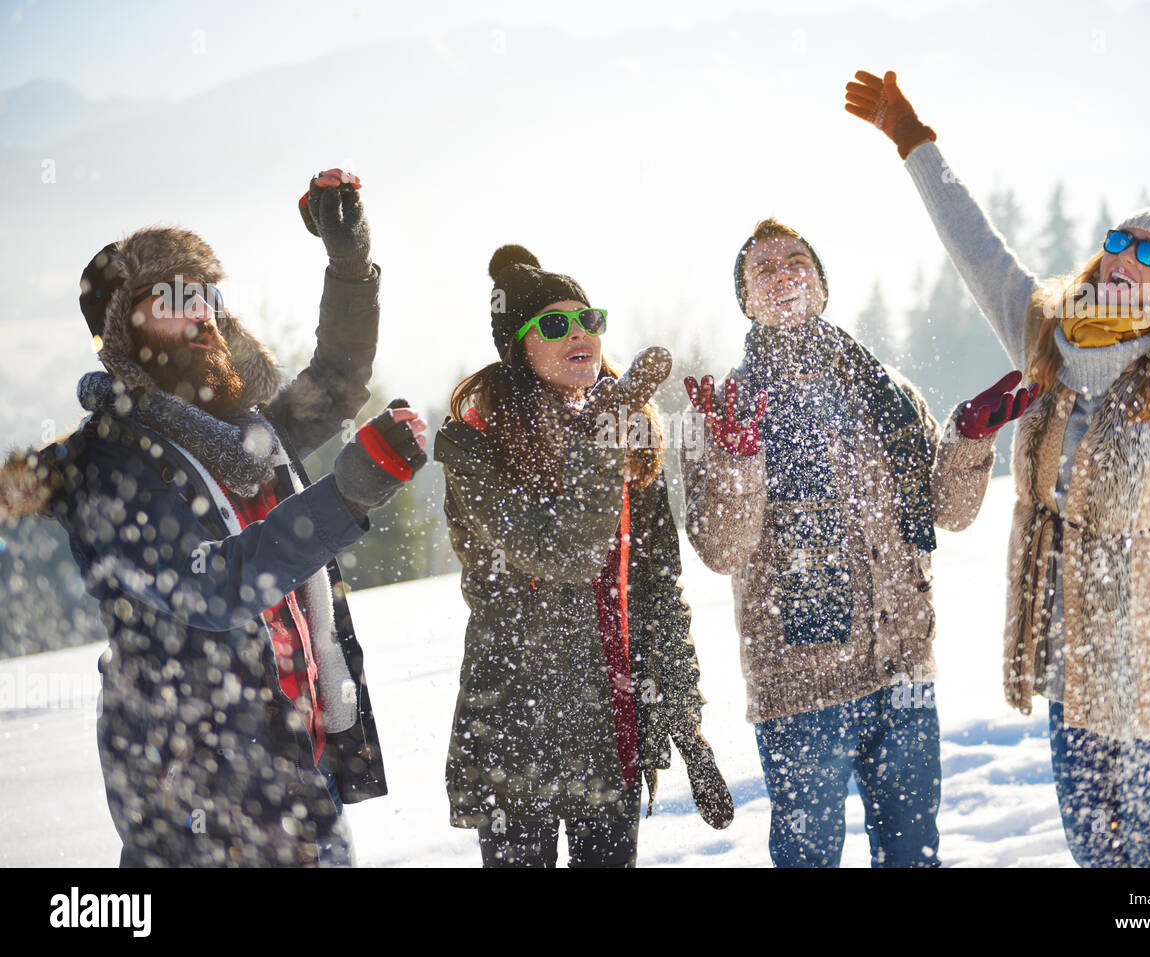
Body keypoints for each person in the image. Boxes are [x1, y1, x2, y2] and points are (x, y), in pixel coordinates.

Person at [844, 68, 1150, 866]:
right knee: (1097, 850)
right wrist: (914, 142)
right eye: (1118, 241)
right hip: (1067, 654)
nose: (1125, 256)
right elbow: (976, 246)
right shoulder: (1046, 334)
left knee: (1146, 852)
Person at [0, 169, 429, 866]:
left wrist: (349, 264)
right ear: (123, 333)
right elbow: (213, 587)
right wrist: (344, 497)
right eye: (173, 297)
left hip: (300, 776)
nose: (199, 311)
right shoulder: (104, 464)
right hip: (199, 803)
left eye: (206, 294)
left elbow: (336, 380)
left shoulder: (246, 438)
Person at [680, 217, 1037, 867]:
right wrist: (736, 459)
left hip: (905, 675)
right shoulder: (726, 408)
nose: (784, 274)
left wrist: (968, 440)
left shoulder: (886, 391)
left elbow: (948, 513)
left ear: (820, 284)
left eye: (796, 262)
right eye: (764, 269)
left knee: (913, 857)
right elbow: (722, 550)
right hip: (802, 693)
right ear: (746, 302)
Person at [432, 245, 731, 868]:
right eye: (553, 323)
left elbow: (657, 591)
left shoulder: (625, 430)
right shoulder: (473, 446)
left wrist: (684, 720)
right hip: (517, 731)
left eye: (588, 319)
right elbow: (562, 552)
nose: (579, 334)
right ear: (517, 348)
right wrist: (602, 438)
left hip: (611, 727)